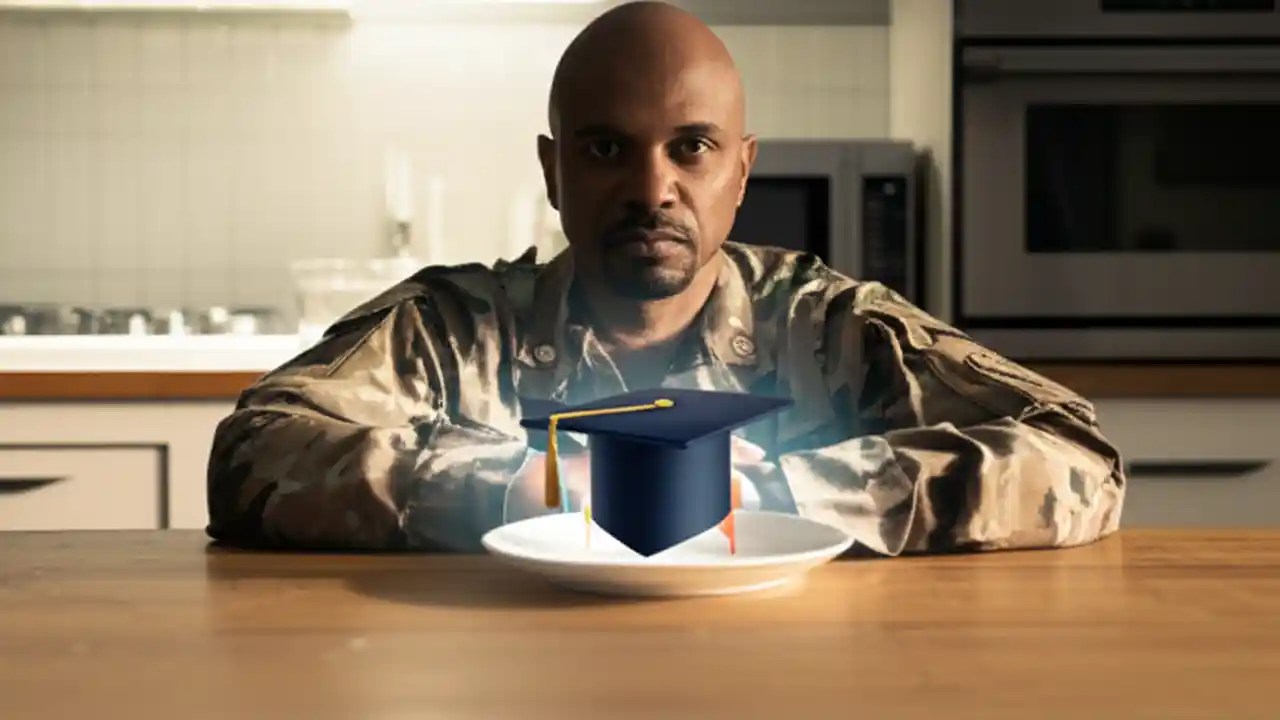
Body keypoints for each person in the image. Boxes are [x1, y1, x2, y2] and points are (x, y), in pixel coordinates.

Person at [205, 1, 1125, 555]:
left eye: (692, 148)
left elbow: (1079, 457)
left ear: (741, 170)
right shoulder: (451, 326)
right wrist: (525, 486)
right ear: (553, 169)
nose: (653, 189)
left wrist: (779, 498)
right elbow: (251, 455)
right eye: (607, 149)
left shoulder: (830, 324)